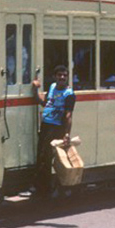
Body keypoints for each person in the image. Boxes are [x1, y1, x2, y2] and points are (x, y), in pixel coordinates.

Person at [31, 65, 76, 197]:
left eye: (65, 75)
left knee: (49, 158)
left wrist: (66, 134)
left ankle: (48, 188)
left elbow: (68, 115)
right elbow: (45, 103)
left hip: (57, 128)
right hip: (46, 125)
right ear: (54, 77)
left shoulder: (69, 94)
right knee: (41, 156)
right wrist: (35, 90)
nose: (62, 77)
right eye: (59, 75)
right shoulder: (52, 87)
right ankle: (41, 187)